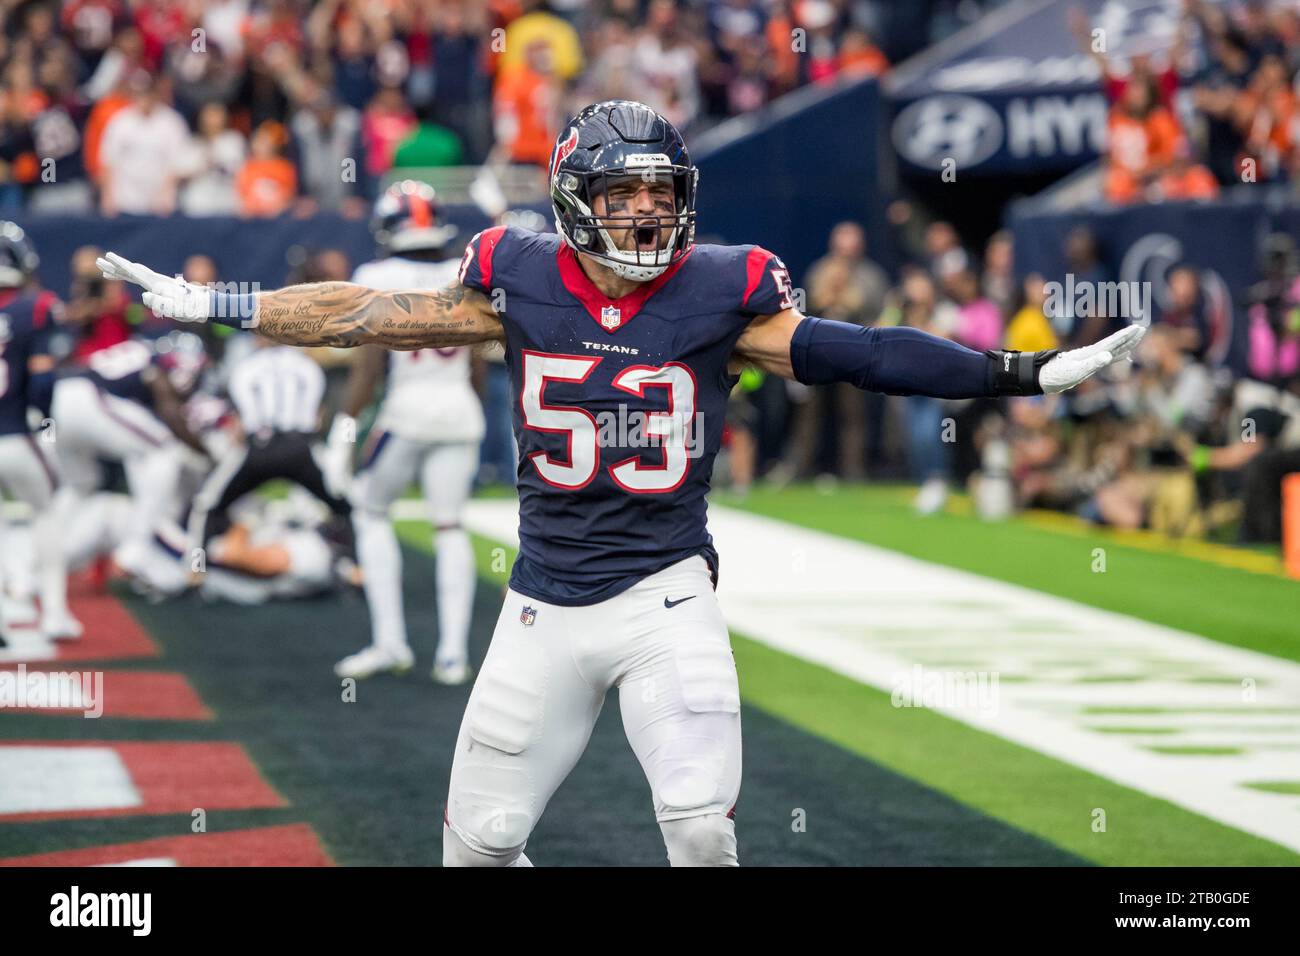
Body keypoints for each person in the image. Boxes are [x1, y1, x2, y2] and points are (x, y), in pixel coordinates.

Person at [98, 100, 1144, 867]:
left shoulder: (717, 292)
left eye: (660, 194)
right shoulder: (516, 277)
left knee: (696, 824)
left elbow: (862, 350)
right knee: (476, 845)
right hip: (543, 602)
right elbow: (365, 314)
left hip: (664, 595)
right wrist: (213, 302)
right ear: (574, 200)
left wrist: (1018, 372)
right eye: (623, 194)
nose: (646, 215)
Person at [325, 181, 484, 685]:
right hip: (460, 408)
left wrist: (343, 435)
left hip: (408, 410)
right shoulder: (464, 271)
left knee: (371, 509)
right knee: (451, 526)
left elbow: (368, 370)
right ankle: (453, 655)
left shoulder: (376, 275)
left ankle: (390, 641)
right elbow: (478, 360)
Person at [0, 221, 78, 639]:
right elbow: (44, 380)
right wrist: (42, 423)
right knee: (45, 512)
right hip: (15, 435)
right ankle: (54, 612)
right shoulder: (36, 307)